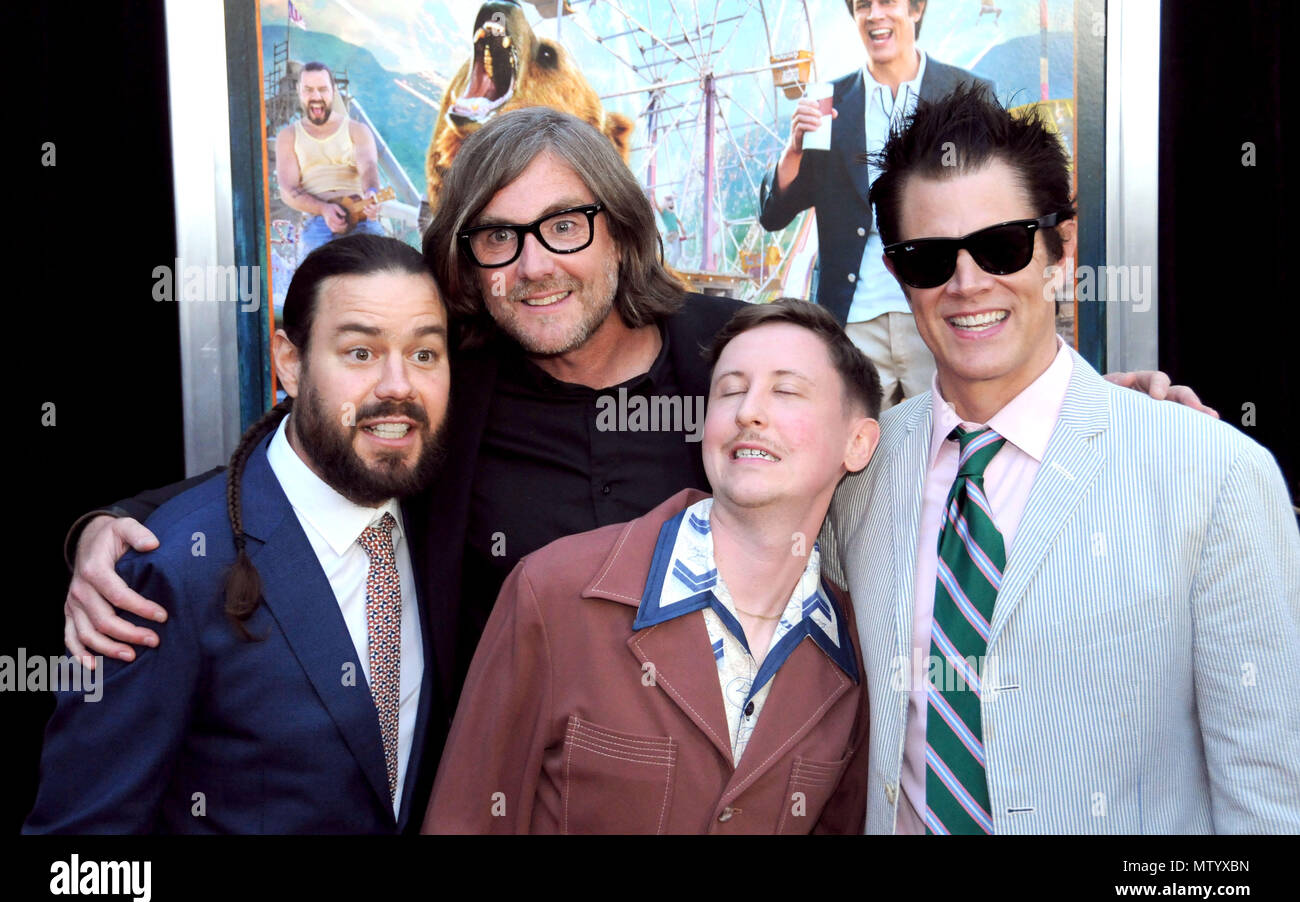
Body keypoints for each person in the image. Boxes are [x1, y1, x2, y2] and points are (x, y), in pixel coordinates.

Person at [58, 108, 1207, 787]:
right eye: (496, 240)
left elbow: (924, 384)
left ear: (619, 230)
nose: (535, 264)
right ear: (465, 263)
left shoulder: (733, 355)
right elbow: (305, 465)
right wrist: (115, 530)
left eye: (563, 226)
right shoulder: (458, 385)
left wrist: (1113, 409)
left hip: (753, 786)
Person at [822, 85, 1300, 835]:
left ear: (1059, 252)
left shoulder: (1213, 476)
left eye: (1002, 245)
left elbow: (1269, 800)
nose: (968, 283)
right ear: (898, 274)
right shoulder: (858, 475)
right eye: (928, 258)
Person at [26, 236, 452, 832]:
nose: (398, 385)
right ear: (291, 363)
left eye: (425, 355)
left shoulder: (447, 522)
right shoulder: (168, 573)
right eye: (360, 352)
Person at [426, 299, 879, 833]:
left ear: (857, 443)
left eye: (786, 390)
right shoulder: (554, 592)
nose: (748, 411)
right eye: (729, 390)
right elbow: (468, 817)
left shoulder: (855, 651)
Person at [759, 0, 995, 410]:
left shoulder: (968, 95)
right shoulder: (829, 104)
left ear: (916, 10)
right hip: (854, 318)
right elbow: (773, 215)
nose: (875, 14)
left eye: (887, 1)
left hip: (941, 305)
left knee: (955, 439)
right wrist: (794, 151)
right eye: (863, 4)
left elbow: (995, 202)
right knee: (855, 457)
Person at [275, 62, 385, 259]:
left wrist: (372, 194)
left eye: (322, 89)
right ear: (299, 92)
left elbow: (368, 167)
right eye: (308, 90)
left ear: (333, 91)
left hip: (361, 217)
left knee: (384, 272)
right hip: (318, 223)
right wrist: (324, 209)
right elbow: (288, 191)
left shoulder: (357, 130)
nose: (316, 97)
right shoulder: (288, 136)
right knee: (315, 284)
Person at [654, 191, 688, 266]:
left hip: (676, 234)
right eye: (670, 201)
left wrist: (682, 228)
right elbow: (658, 208)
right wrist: (653, 197)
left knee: (678, 252)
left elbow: (678, 221)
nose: (672, 203)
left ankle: (673, 264)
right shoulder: (665, 213)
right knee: (675, 251)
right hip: (671, 234)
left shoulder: (672, 214)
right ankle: (670, 265)